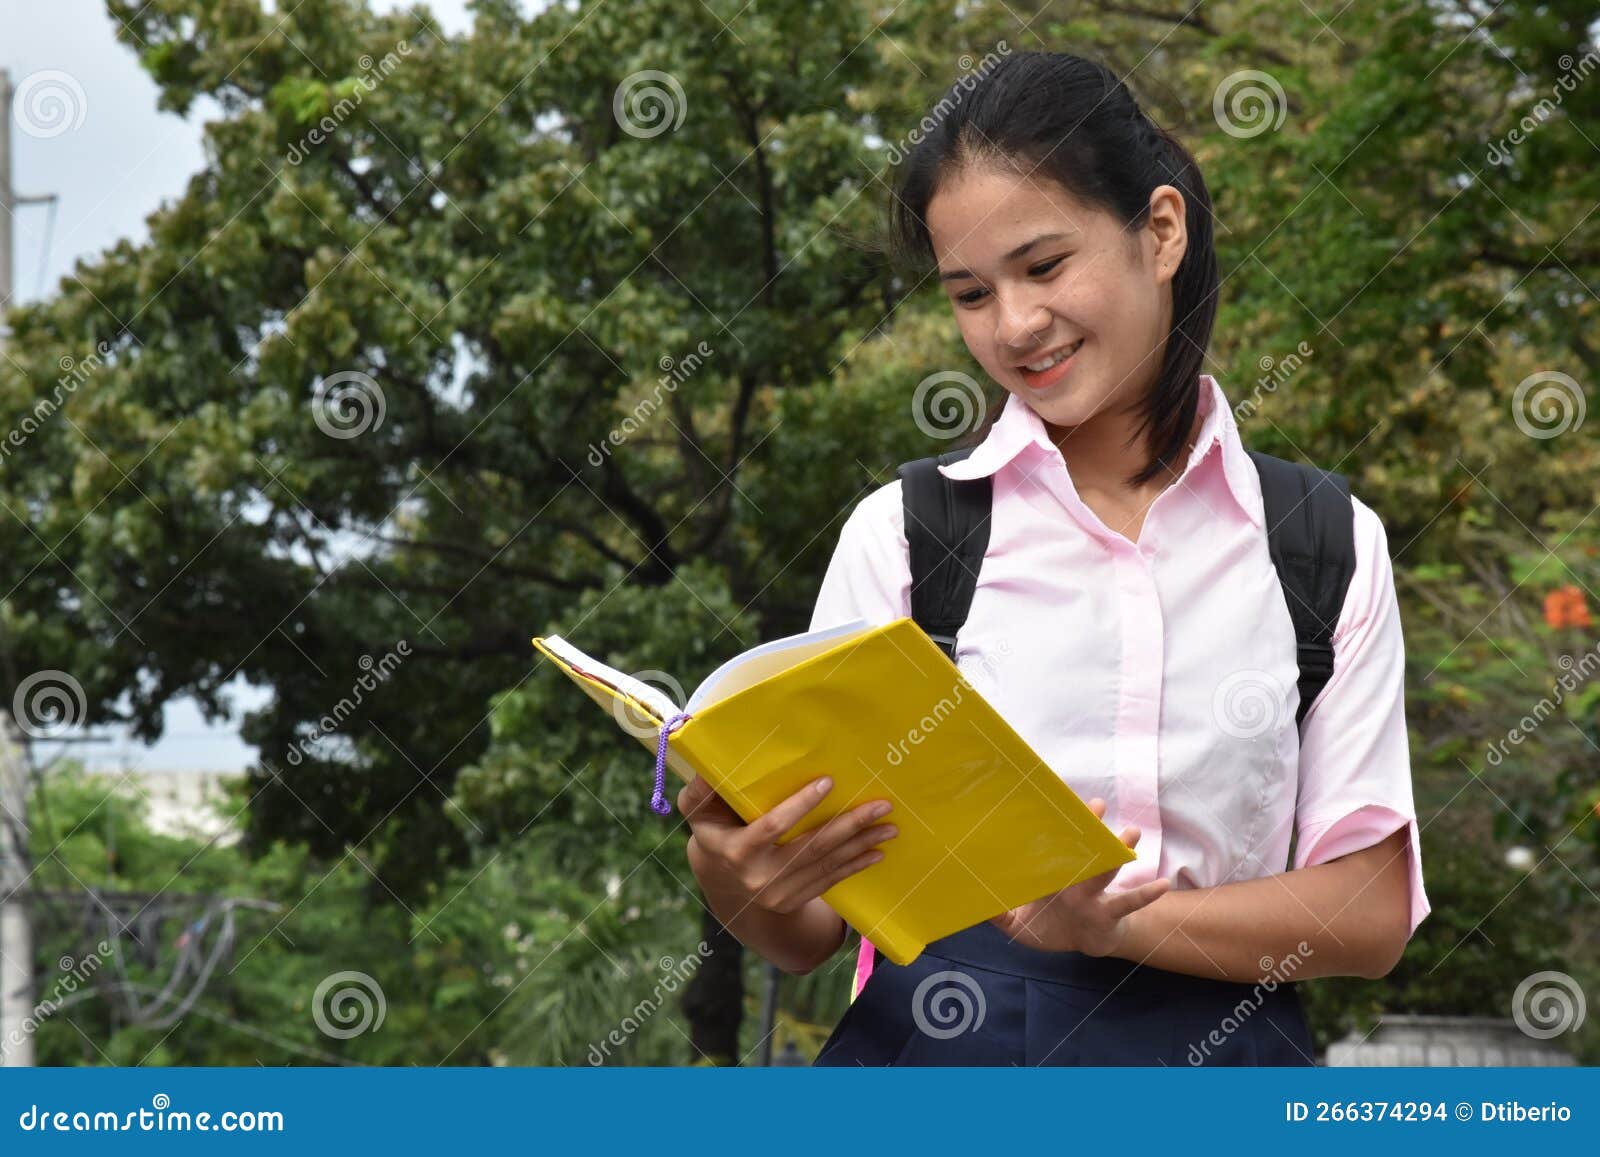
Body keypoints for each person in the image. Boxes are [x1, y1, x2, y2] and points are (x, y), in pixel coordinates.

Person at [677, 49, 1429, 1066]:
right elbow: (809, 931)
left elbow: (1368, 907)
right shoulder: (906, 535)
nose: (1015, 325)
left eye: (1043, 266)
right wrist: (739, 876)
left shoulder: (1322, 542)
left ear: (1159, 232)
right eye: (970, 293)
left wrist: (1115, 926)